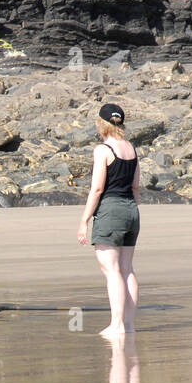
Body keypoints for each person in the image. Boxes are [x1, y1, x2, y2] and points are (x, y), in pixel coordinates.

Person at [77, 103, 140, 337]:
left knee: (111, 270)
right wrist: (129, 210)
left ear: (101, 124)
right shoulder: (131, 148)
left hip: (110, 211)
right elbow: (135, 186)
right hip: (131, 210)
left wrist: (84, 220)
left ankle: (117, 326)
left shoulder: (103, 150)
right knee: (127, 270)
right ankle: (129, 325)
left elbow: (97, 189)